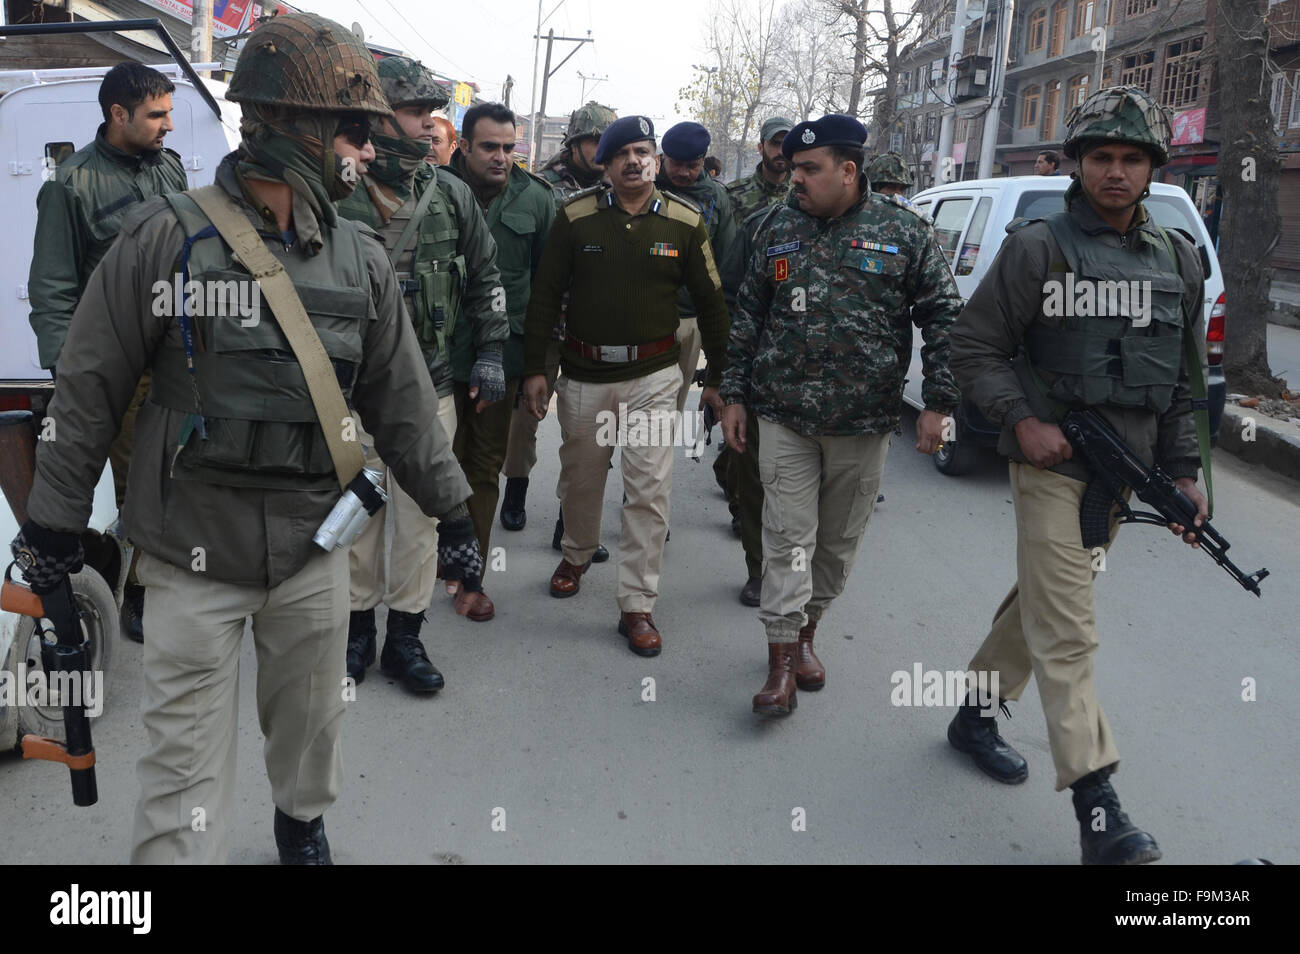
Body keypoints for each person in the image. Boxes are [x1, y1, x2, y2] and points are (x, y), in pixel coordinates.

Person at [11, 12, 481, 864]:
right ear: (291, 127)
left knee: (311, 725)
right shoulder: (165, 239)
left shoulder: (360, 259)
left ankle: (300, 820)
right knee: (180, 770)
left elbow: (404, 403)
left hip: (314, 544)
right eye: (353, 131)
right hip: (191, 548)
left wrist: (453, 513)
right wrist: (50, 529)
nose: (368, 150)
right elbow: (88, 391)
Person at [946, 86, 1209, 865]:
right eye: (1101, 157)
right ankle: (1100, 811)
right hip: (1053, 465)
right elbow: (974, 345)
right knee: (1069, 630)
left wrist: (1184, 471)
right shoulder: (1039, 248)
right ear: (1077, 164)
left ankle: (974, 715)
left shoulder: (1179, 258)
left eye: (1131, 159)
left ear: (1154, 169)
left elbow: (1182, 380)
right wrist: (1021, 421)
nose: (1115, 172)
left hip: (1124, 477)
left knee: (1045, 601)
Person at [721, 114, 961, 717]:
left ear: (848, 170)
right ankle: (780, 660)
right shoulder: (773, 226)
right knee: (786, 539)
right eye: (793, 168)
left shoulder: (904, 231)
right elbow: (747, 315)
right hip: (783, 414)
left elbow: (944, 317)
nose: (795, 179)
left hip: (863, 420)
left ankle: (808, 632)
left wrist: (938, 403)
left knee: (835, 544)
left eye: (809, 169)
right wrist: (733, 394)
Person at [521, 115, 730, 656]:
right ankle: (576, 554)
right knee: (581, 479)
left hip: (654, 377)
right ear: (606, 166)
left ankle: (637, 603)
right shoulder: (576, 217)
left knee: (649, 490)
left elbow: (712, 303)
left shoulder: (686, 220)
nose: (634, 161)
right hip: (585, 374)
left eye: (642, 151)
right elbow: (545, 295)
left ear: (655, 160)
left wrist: (718, 380)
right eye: (622, 154)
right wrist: (536, 368)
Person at [338, 55, 507, 684]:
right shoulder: (336, 190)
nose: (426, 124)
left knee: (419, 520)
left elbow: (485, 278)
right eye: (414, 111)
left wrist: (490, 352)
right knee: (354, 514)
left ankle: (405, 636)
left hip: (428, 386)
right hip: (349, 392)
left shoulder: (450, 194)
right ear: (378, 117)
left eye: (429, 113)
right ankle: (356, 630)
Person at [28, 62, 190, 643]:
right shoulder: (71, 184)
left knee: (176, 471)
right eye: (157, 114)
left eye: (169, 112)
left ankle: (159, 575)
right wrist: (67, 369)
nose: (169, 125)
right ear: (119, 114)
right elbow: (52, 285)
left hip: (175, 355)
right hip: (117, 363)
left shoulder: (169, 168)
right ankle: (136, 594)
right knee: (137, 480)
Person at [445, 103, 555, 594]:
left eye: (510, 148)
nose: (502, 157)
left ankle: (471, 576)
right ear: (464, 145)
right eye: (490, 146)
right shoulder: (432, 191)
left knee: (484, 465)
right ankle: (427, 563)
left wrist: (538, 368)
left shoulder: (536, 200)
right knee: (434, 463)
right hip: (437, 355)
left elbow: (547, 291)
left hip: (503, 358)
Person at [501, 101, 617, 552]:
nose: (603, 151)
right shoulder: (541, 188)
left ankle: (572, 521)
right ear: (574, 143)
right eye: (595, 142)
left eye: (609, 143)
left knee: (588, 428)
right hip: (547, 322)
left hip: (596, 327)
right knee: (525, 415)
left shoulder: (621, 191)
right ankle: (515, 489)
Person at [655, 121, 739, 414]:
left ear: (703, 161)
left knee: (671, 406)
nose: (683, 172)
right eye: (676, 164)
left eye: (692, 165)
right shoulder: (645, 188)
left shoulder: (716, 196)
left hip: (690, 319)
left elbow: (725, 263)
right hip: (644, 315)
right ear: (663, 158)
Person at [726, 116, 794, 223]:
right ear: (761, 148)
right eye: (775, 144)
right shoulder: (733, 195)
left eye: (786, 144)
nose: (781, 151)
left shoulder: (803, 193)